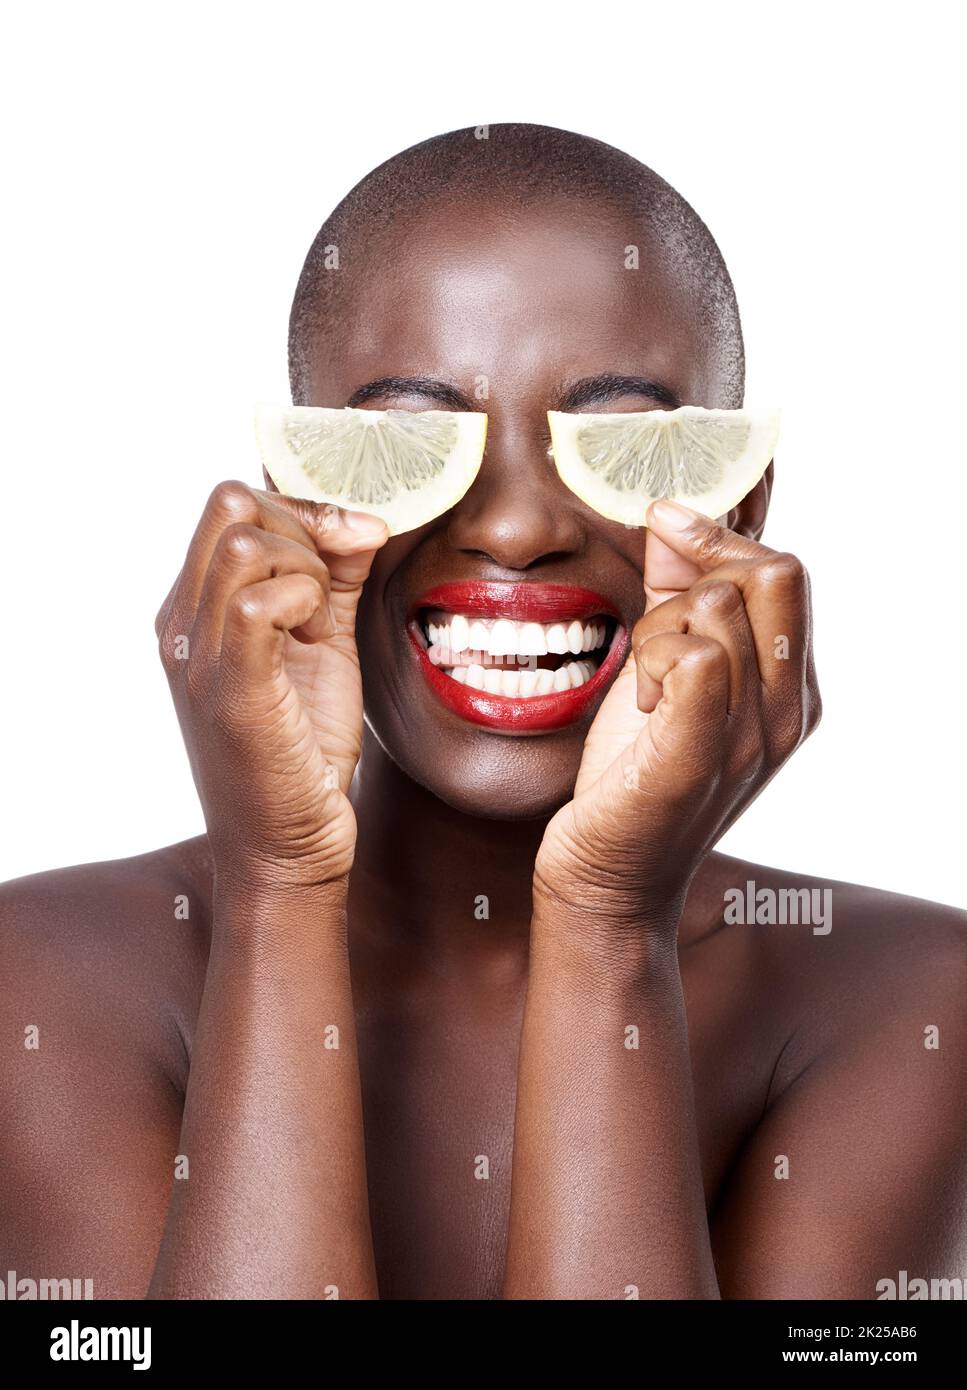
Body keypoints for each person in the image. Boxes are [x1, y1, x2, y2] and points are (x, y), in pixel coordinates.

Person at [2, 124, 964, 1301]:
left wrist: (610, 925)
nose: (514, 528)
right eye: (415, 435)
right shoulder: (40, 981)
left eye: (613, 441)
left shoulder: (913, 998)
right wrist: (280, 892)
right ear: (303, 497)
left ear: (736, 509)